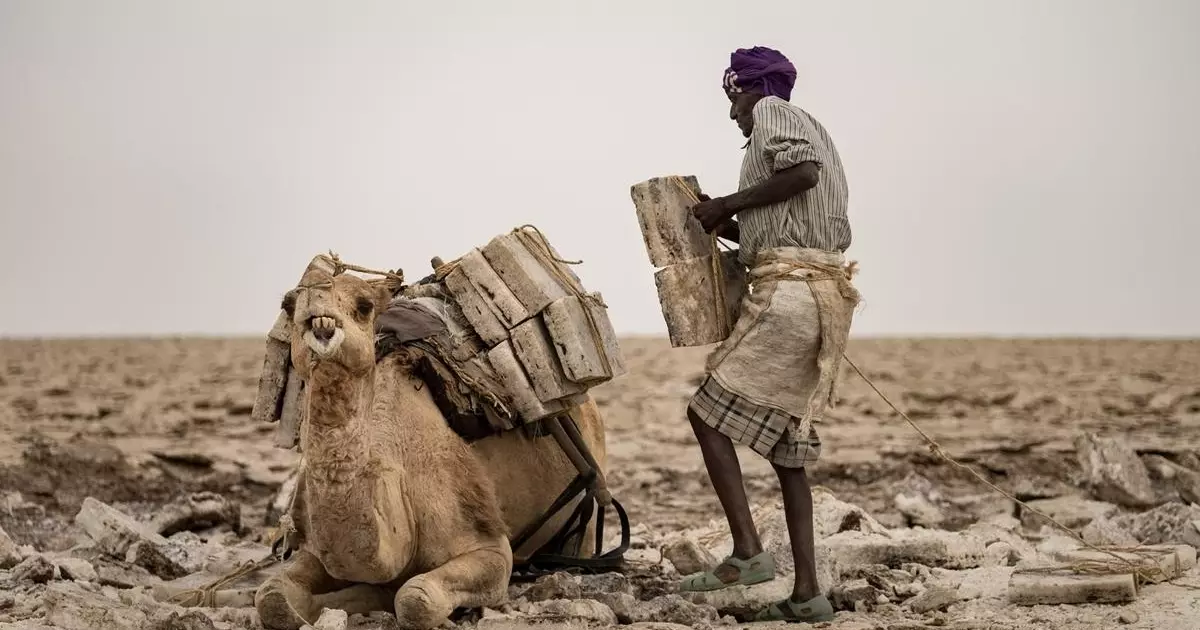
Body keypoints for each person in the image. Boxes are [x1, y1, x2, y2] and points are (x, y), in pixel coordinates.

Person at [679, 45, 860, 624]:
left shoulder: (775, 115)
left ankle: (749, 553)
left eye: (732, 97)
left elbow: (801, 172)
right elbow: (792, 206)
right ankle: (808, 594)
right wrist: (728, 221)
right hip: (820, 298)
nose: (732, 113)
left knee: (706, 415)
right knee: (788, 453)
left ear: (749, 88)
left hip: (792, 294)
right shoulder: (801, 125)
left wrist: (729, 202)